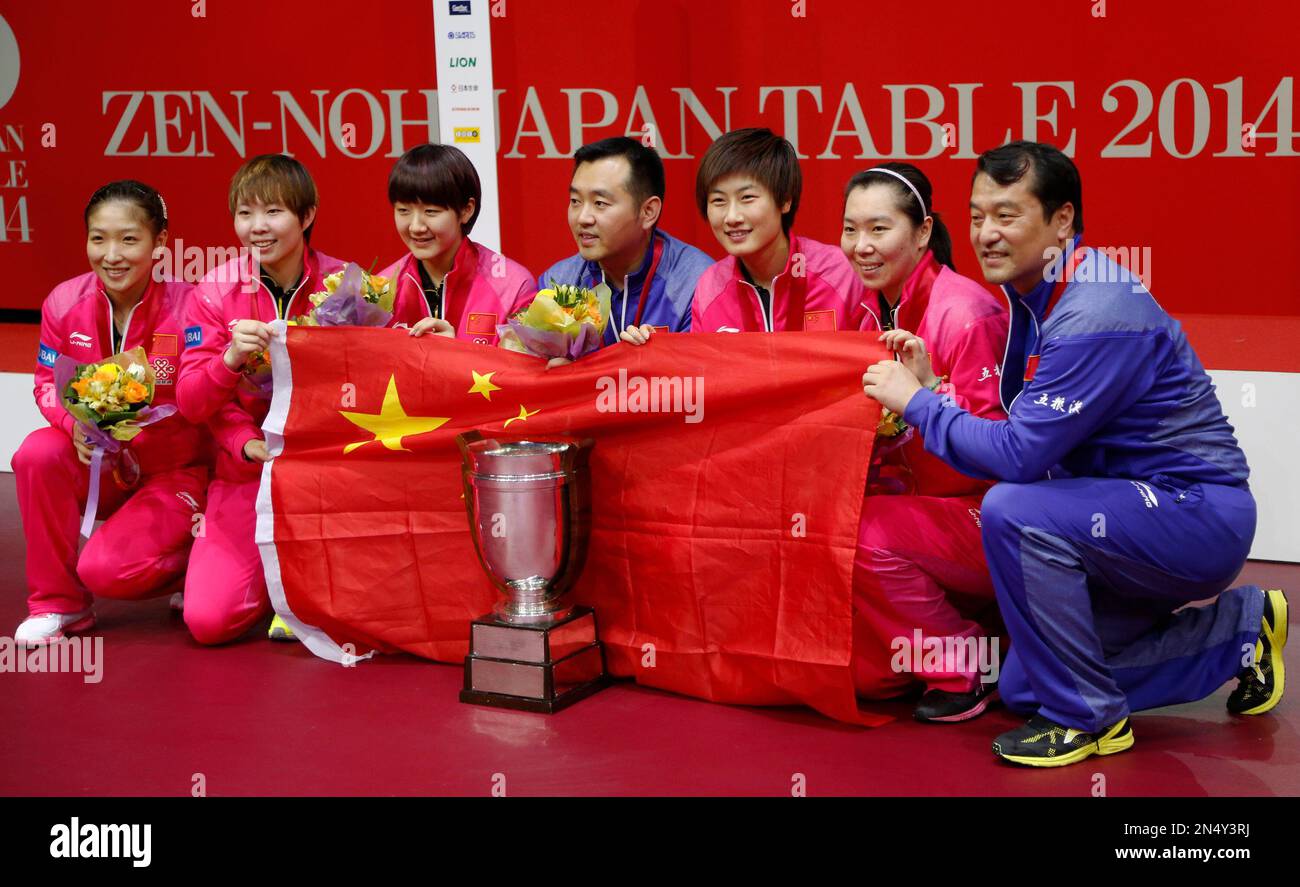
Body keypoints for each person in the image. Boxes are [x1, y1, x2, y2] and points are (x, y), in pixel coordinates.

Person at [863, 141, 1285, 766]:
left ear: (1061, 221)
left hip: (1191, 512)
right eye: (977, 216)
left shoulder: (1096, 309)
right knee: (1023, 686)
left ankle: (1089, 720)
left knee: (1013, 508)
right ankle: (1239, 635)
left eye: (1007, 215)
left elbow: (1020, 455)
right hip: (1115, 517)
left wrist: (918, 406)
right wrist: (931, 389)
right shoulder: (1034, 294)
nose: (986, 233)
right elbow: (1027, 426)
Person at [841, 163, 1010, 722]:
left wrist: (927, 396)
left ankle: (968, 664)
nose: (861, 246)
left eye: (879, 229)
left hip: (984, 513)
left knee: (862, 535)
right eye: (849, 229)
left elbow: (995, 450)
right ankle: (978, 631)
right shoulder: (862, 307)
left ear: (921, 231)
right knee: (867, 676)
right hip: (913, 508)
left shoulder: (967, 313)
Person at [13, 181, 209, 645]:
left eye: (128, 239)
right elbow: (47, 385)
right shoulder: (64, 302)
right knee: (36, 454)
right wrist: (72, 426)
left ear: (160, 242)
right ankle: (59, 604)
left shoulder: (192, 306)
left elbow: (210, 396)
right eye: (98, 239)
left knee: (104, 570)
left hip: (173, 473)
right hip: (101, 468)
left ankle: (200, 561)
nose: (111, 255)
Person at [177, 155, 345, 644]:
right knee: (208, 623)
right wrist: (229, 361)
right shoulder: (212, 291)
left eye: (272, 212)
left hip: (324, 475)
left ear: (306, 216)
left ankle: (285, 585)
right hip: (246, 471)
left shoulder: (346, 287)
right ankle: (216, 571)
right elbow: (191, 403)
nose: (257, 227)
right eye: (245, 214)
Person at [676, 128, 870, 337]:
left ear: (785, 200)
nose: (732, 217)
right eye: (718, 201)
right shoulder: (710, 287)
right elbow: (703, 367)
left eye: (747, 197)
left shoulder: (842, 273)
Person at [537, 136, 712, 361]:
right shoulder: (558, 282)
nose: (582, 218)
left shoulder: (696, 283)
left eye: (600, 203)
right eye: (575, 201)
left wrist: (661, 360)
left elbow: (706, 380)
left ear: (648, 212)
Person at [382, 143, 536, 344]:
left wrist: (456, 356)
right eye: (403, 211)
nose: (416, 226)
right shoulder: (380, 291)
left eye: (431, 211)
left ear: (466, 210)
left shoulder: (513, 286)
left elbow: (524, 371)